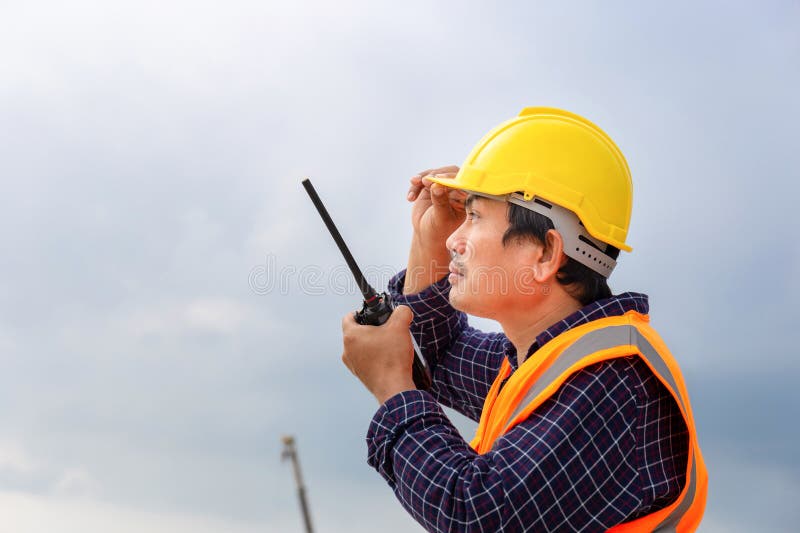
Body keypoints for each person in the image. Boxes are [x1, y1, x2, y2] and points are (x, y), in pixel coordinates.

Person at [340, 107, 707, 532]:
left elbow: (477, 516)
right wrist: (428, 242)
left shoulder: (614, 383)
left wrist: (392, 388)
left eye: (474, 216)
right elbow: (438, 357)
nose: (454, 239)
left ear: (545, 254)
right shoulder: (542, 363)